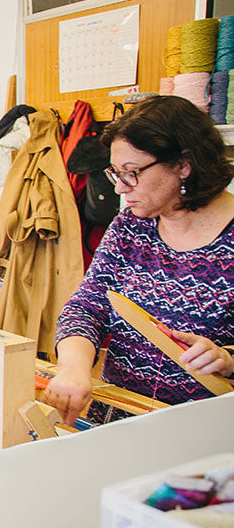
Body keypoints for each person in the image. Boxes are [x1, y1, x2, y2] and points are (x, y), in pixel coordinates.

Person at [43, 96, 234, 426]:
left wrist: (229, 360)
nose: (119, 187)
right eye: (116, 172)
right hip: (122, 418)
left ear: (184, 164)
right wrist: (73, 366)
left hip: (207, 435)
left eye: (132, 173)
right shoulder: (132, 225)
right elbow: (87, 307)